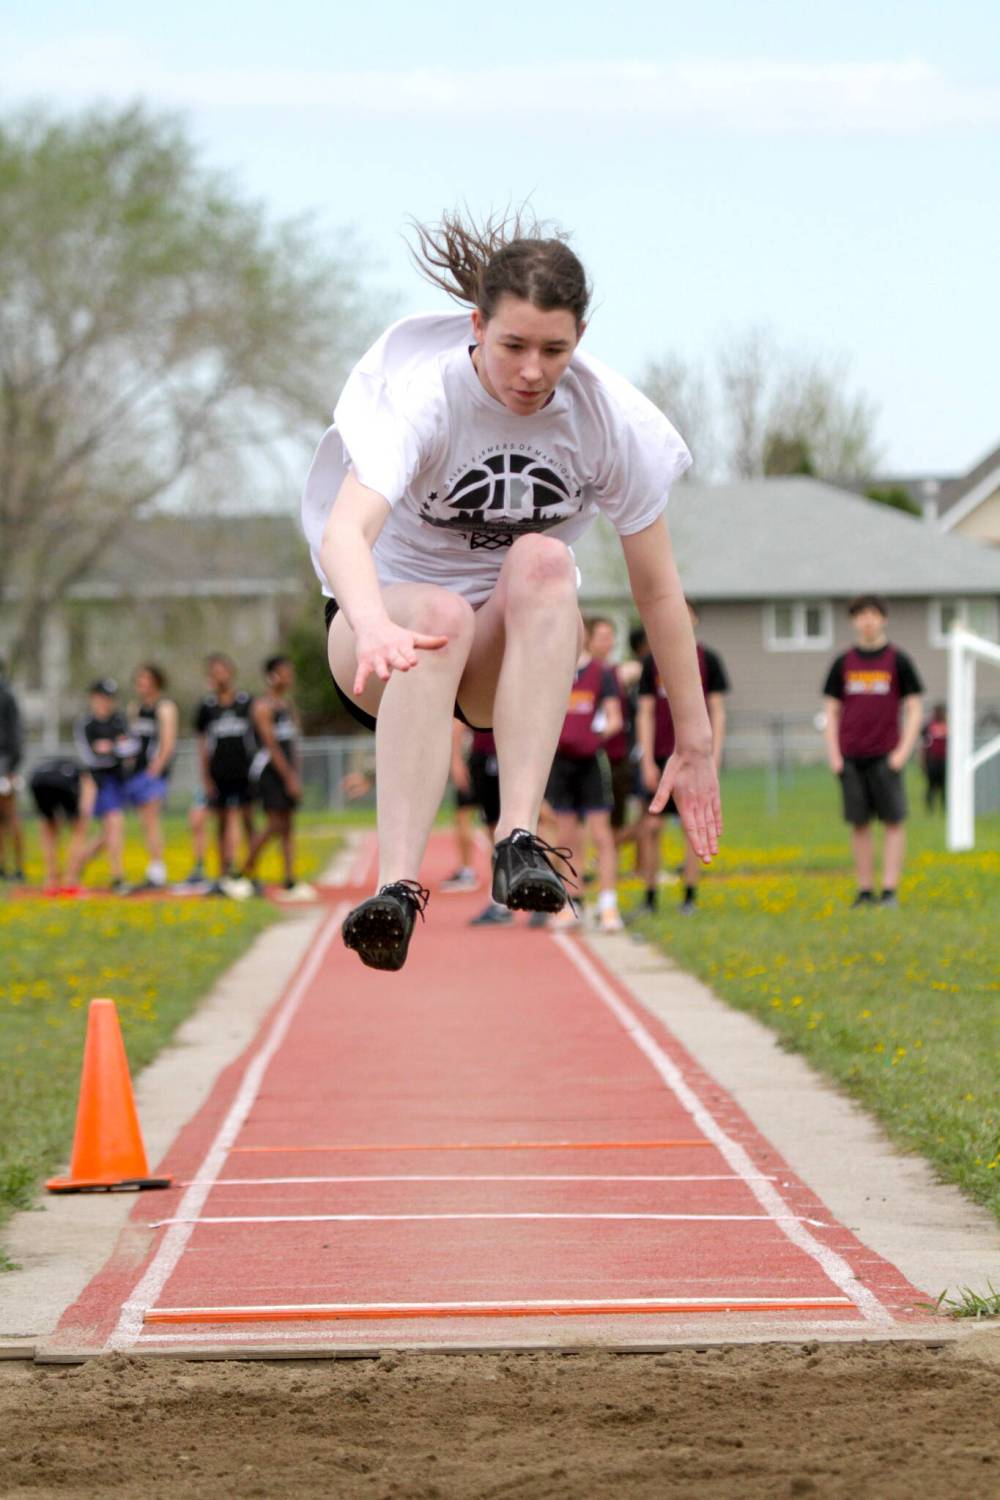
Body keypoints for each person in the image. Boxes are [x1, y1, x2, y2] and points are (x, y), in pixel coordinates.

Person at [302, 209, 721, 971]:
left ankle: (518, 837)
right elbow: (343, 535)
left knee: (545, 562)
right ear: (476, 326)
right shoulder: (426, 398)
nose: (533, 371)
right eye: (513, 347)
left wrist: (694, 739)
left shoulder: (602, 421)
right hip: (383, 640)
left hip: (501, 656)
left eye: (554, 350)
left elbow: (660, 594)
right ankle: (395, 889)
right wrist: (372, 623)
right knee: (438, 611)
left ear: (580, 339)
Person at [822, 595, 924, 908]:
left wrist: (902, 753)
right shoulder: (843, 663)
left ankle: (889, 890)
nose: (867, 621)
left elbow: (915, 708)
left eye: (873, 615)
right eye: (861, 616)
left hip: (886, 757)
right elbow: (831, 711)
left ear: (883, 619)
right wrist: (835, 755)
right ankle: (865, 890)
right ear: (854, 621)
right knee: (859, 824)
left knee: (893, 822)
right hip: (851, 756)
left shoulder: (898, 660)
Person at [633, 601, 729, 915]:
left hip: (694, 756)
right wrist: (647, 759)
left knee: (693, 826)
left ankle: (689, 896)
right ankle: (650, 896)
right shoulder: (653, 661)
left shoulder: (709, 660)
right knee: (651, 827)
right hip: (661, 755)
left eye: (686, 612)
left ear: (695, 618)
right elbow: (645, 712)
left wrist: (713, 756)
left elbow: (717, 710)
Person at [544, 640, 624, 932]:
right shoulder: (554, 668)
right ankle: (572, 902)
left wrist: (594, 736)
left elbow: (615, 717)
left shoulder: (601, 673)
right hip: (561, 762)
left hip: (591, 762)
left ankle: (608, 904)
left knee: (601, 834)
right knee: (566, 835)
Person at [230, 656, 313, 899]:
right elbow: (272, 745)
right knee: (275, 824)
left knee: (288, 826)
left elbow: (293, 743)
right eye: (285, 673)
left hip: (288, 771)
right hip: (269, 772)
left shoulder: (287, 705)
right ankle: (242, 871)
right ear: (272, 675)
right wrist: (288, 777)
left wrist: (296, 773)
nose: (290, 678)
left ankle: (290, 880)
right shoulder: (262, 706)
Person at [194, 653, 256, 887]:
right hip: (219, 773)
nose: (220, 676)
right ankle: (223, 873)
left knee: (248, 821)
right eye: (214, 672)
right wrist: (206, 777)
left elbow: (256, 736)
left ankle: (250, 871)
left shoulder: (246, 701)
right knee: (220, 824)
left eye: (223, 670)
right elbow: (202, 744)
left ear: (231, 672)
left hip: (244, 771)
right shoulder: (207, 707)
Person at [72, 678, 136, 892]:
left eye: (109, 698)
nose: (106, 703)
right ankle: (118, 877)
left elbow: (131, 747)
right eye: (102, 697)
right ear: (94, 698)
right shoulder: (86, 724)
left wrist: (111, 749)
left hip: (117, 779)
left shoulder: (118, 720)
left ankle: (79, 862)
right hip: (96, 781)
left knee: (109, 833)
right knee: (115, 823)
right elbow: (90, 756)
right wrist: (116, 749)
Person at [125, 663, 178, 891]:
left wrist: (155, 769)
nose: (142, 684)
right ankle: (153, 868)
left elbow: (167, 742)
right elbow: (131, 741)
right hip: (135, 772)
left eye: (146, 679)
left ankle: (158, 869)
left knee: (151, 820)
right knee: (142, 822)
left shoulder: (164, 707)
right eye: (139, 680)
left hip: (153, 773)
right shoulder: (135, 708)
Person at [585, 616, 633, 853]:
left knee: (616, 820)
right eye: (603, 638)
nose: (609, 643)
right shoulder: (579, 674)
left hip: (615, 755)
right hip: (585, 757)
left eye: (611, 637)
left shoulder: (617, 673)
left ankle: (607, 872)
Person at [28, 755, 93, 894]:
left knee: (48, 828)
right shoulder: (86, 773)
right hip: (62, 780)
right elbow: (87, 804)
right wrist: (82, 818)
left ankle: (50, 882)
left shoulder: (54, 763)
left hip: (36, 779)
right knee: (79, 831)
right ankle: (71, 881)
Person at [441, 721, 482, 893]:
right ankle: (467, 870)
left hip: (474, 763)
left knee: (465, 819)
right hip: (474, 762)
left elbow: (458, 727)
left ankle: (467, 871)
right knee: (463, 819)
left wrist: (456, 762)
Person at [0, 660, 26, 882]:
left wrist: (10, 767)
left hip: (4, 764)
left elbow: (15, 734)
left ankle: (18, 868)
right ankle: (3, 866)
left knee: (10, 815)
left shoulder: (7, 695)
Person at [922, 703, 948, 813]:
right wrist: (923, 761)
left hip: (944, 761)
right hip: (932, 760)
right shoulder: (929, 727)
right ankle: (930, 809)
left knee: (944, 786)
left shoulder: (948, 726)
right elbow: (924, 745)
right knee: (931, 786)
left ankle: (945, 808)